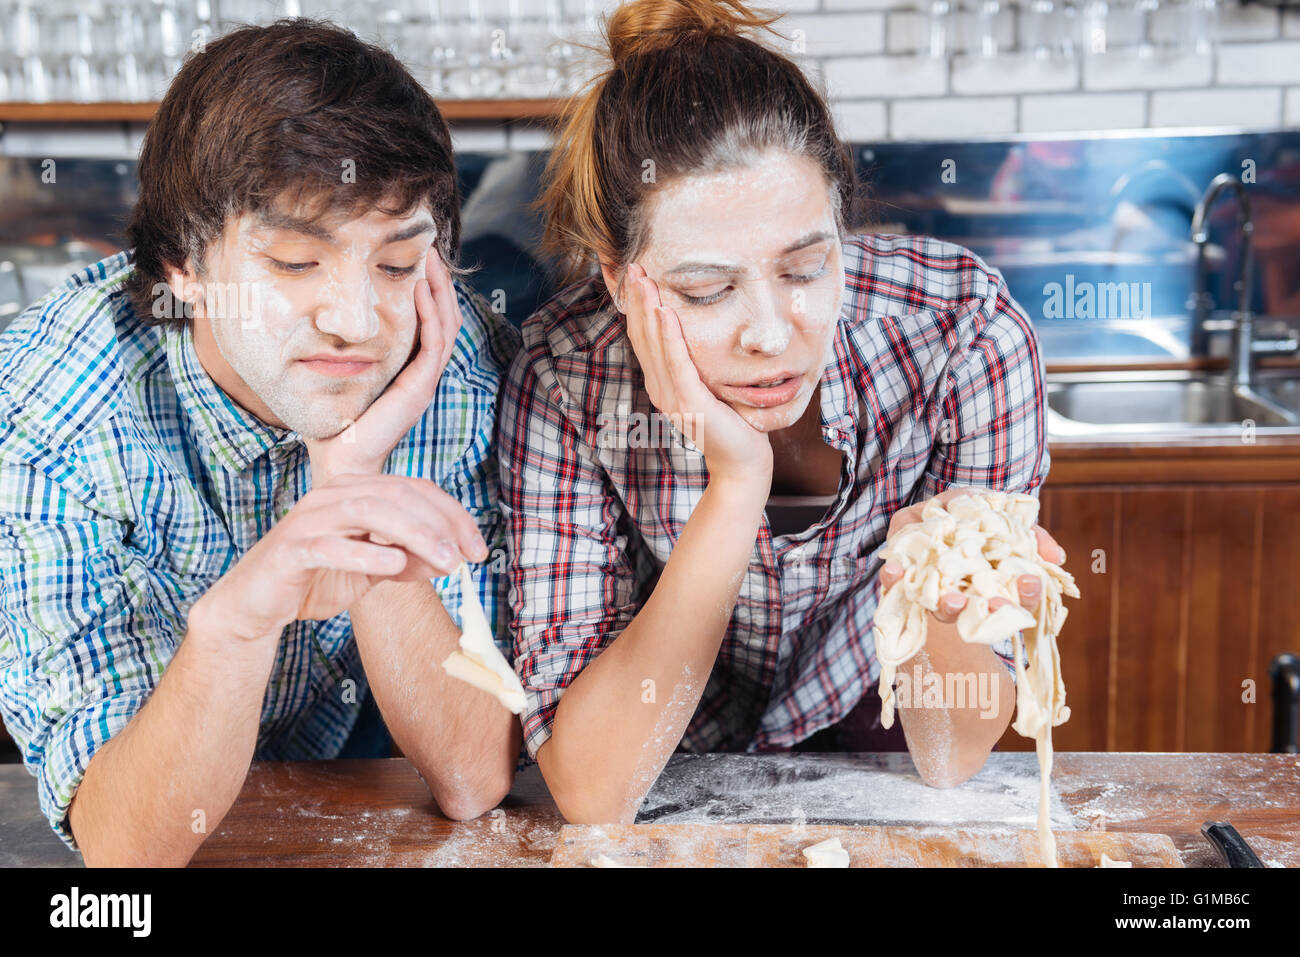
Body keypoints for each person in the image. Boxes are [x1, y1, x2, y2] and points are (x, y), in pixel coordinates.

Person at [498, 0, 1067, 825]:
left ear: (843, 226)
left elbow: (950, 754)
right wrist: (736, 479)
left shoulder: (965, 337)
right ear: (619, 279)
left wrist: (944, 589)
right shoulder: (563, 379)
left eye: (805, 268)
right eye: (707, 289)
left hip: (875, 740)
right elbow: (591, 788)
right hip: (662, 765)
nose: (771, 335)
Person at [0, 20, 521, 865]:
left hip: (362, 775)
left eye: (395, 266)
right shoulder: (48, 410)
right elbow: (125, 846)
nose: (355, 323)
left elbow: (469, 777)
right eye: (292, 261)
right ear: (182, 265)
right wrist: (236, 624)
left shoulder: (456, 365)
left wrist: (350, 479)